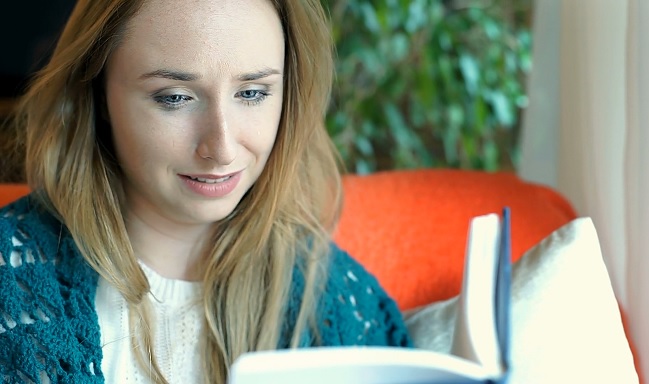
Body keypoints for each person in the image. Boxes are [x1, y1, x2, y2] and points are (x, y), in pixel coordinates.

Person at [0, 0, 412, 382]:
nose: (222, 148)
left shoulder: (342, 301)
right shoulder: (12, 280)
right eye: (175, 97)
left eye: (252, 93)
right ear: (98, 96)